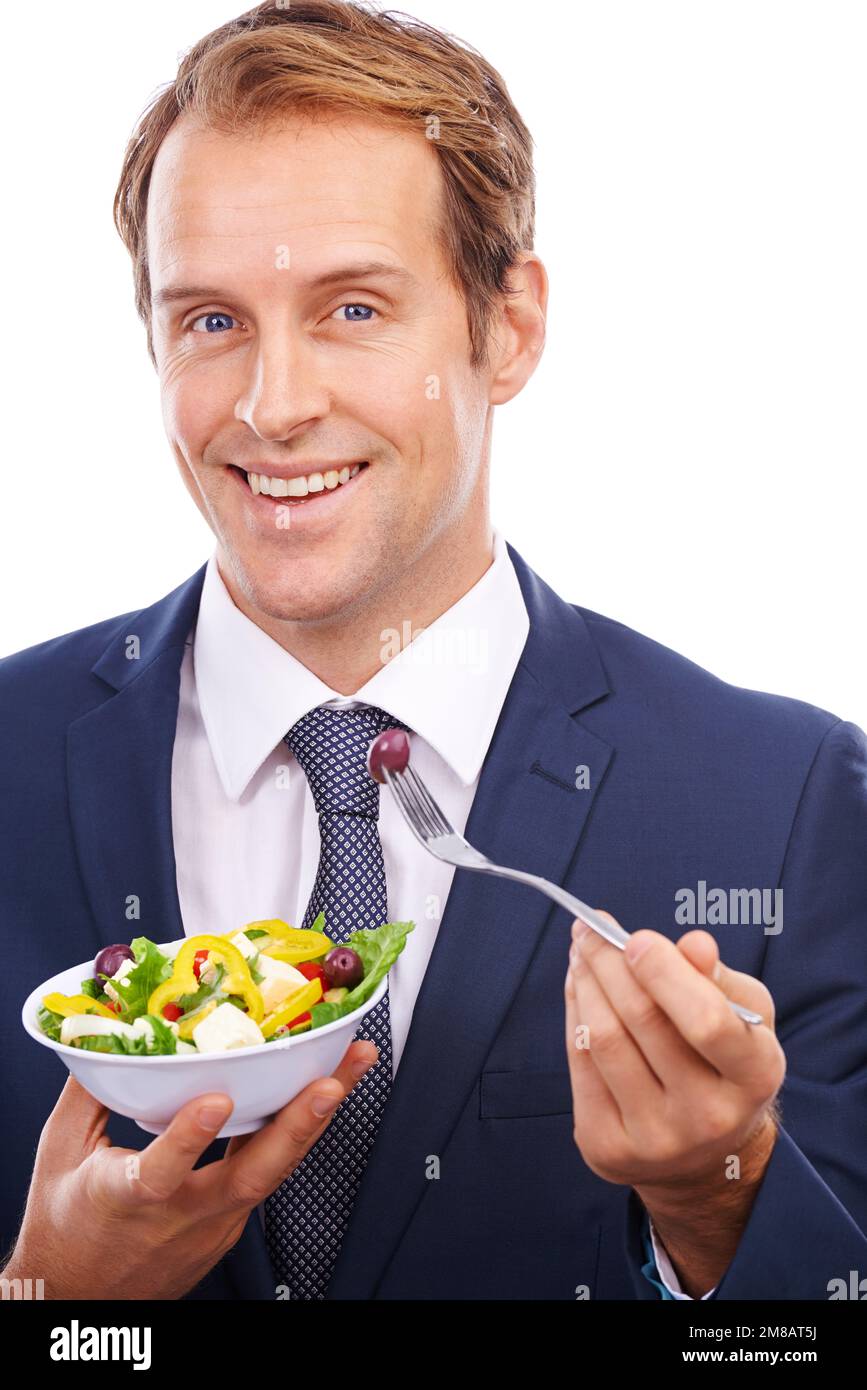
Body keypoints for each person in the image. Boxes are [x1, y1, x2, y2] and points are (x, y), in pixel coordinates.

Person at [1, 0, 865, 1301]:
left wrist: (715, 1188)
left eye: (351, 307)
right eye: (211, 321)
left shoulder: (788, 801)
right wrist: (52, 1306)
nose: (274, 406)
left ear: (507, 325)